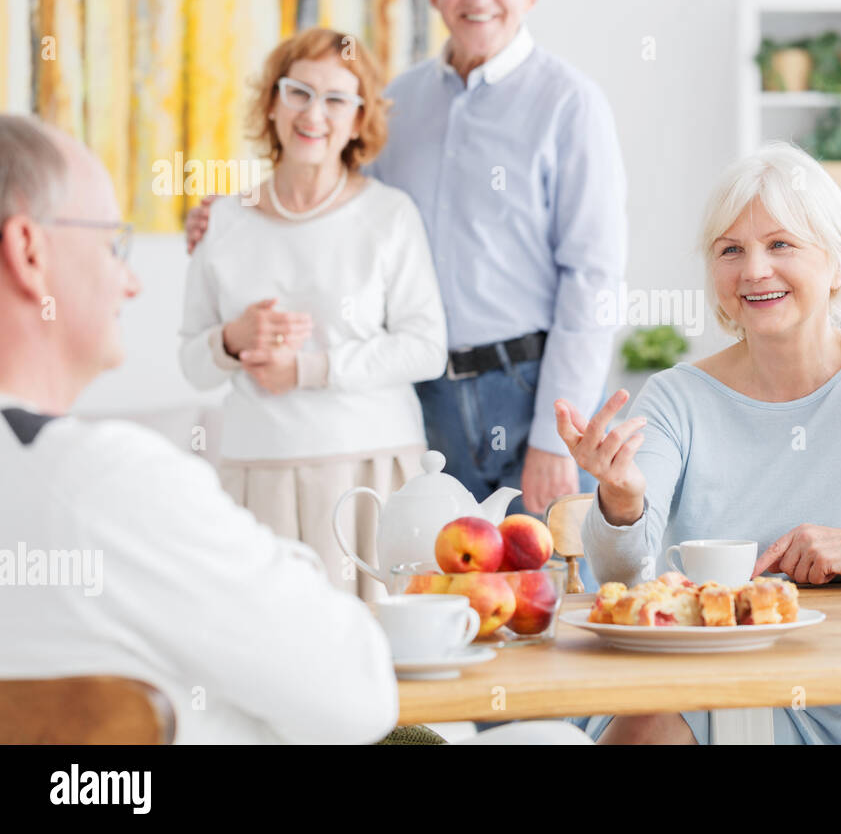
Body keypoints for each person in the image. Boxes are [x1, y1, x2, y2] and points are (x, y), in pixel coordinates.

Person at [0, 114, 592, 746]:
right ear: (30, 253)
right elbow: (357, 698)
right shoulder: (114, 482)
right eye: (112, 243)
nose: (132, 278)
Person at [187, 0, 626, 538]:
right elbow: (339, 203)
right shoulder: (398, 102)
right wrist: (230, 216)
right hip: (421, 397)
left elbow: (594, 275)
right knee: (440, 592)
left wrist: (558, 435)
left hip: (530, 388)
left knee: (545, 597)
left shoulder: (571, 105)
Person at [554, 142, 841, 744]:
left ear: (839, 262)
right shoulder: (674, 397)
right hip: (692, 678)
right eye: (731, 251)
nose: (754, 271)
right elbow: (622, 571)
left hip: (836, 695)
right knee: (639, 722)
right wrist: (619, 500)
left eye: (781, 244)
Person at [179, 28, 448, 601]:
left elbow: (426, 346)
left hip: (368, 473)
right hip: (257, 476)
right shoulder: (222, 220)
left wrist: (309, 369)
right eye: (299, 91)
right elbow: (192, 362)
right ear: (273, 103)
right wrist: (231, 338)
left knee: (382, 664)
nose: (313, 113)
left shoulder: (389, 215)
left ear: (358, 120)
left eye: (336, 99)